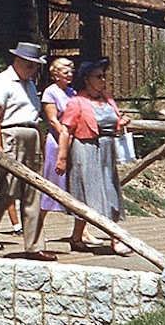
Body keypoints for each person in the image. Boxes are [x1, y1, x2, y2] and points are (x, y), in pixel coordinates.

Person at [56, 58, 133, 255]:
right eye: (98, 76)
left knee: (110, 191)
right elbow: (66, 131)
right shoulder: (77, 102)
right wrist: (62, 158)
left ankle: (79, 237)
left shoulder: (107, 98)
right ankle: (114, 239)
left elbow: (113, 120)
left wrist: (121, 122)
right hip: (86, 150)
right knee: (87, 193)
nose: (103, 80)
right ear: (87, 79)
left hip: (107, 151)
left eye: (104, 76)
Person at [0, 42, 51, 260]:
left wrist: (40, 142)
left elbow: (34, 116)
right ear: (17, 60)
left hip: (31, 135)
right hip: (10, 135)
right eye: (29, 65)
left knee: (33, 191)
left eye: (35, 66)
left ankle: (34, 246)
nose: (32, 69)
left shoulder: (30, 84)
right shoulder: (1, 82)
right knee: (7, 191)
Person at [40, 57, 97, 249]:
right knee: (51, 187)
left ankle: (81, 232)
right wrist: (66, 135)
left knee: (78, 188)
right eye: (66, 72)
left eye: (72, 71)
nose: (70, 75)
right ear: (55, 74)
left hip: (74, 142)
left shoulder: (72, 93)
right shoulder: (50, 92)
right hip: (57, 143)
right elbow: (53, 120)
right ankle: (37, 228)